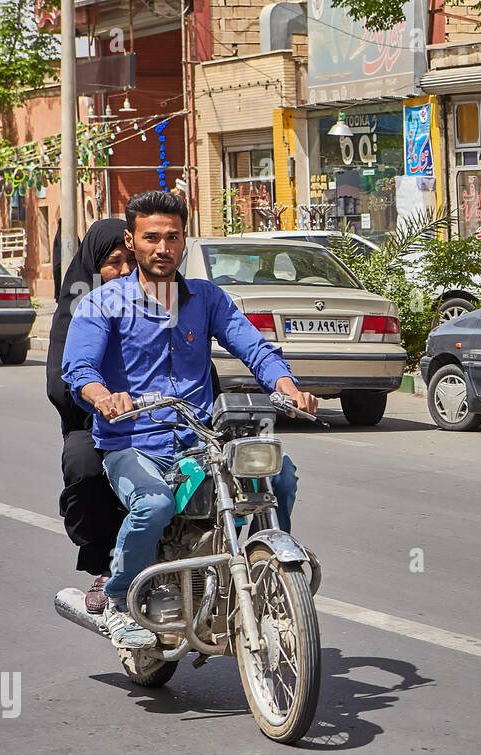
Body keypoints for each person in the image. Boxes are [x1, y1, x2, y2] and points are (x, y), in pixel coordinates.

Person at [62, 190, 317, 650]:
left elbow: (255, 349)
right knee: (154, 505)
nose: (163, 248)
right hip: (133, 439)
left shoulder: (207, 298)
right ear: (132, 240)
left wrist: (287, 388)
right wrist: (103, 398)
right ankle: (121, 601)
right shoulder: (102, 304)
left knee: (278, 476)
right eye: (151, 237)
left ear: (185, 241)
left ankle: (268, 572)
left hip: (202, 438)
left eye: (173, 237)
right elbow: (79, 370)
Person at [45, 218, 133, 614]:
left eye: (133, 260)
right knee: (83, 465)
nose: (126, 271)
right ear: (95, 265)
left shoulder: (162, 301)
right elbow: (61, 383)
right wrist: (102, 402)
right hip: (93, 425)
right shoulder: (79, 307)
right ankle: (107, 563)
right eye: (115, 262)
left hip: (158, 419)